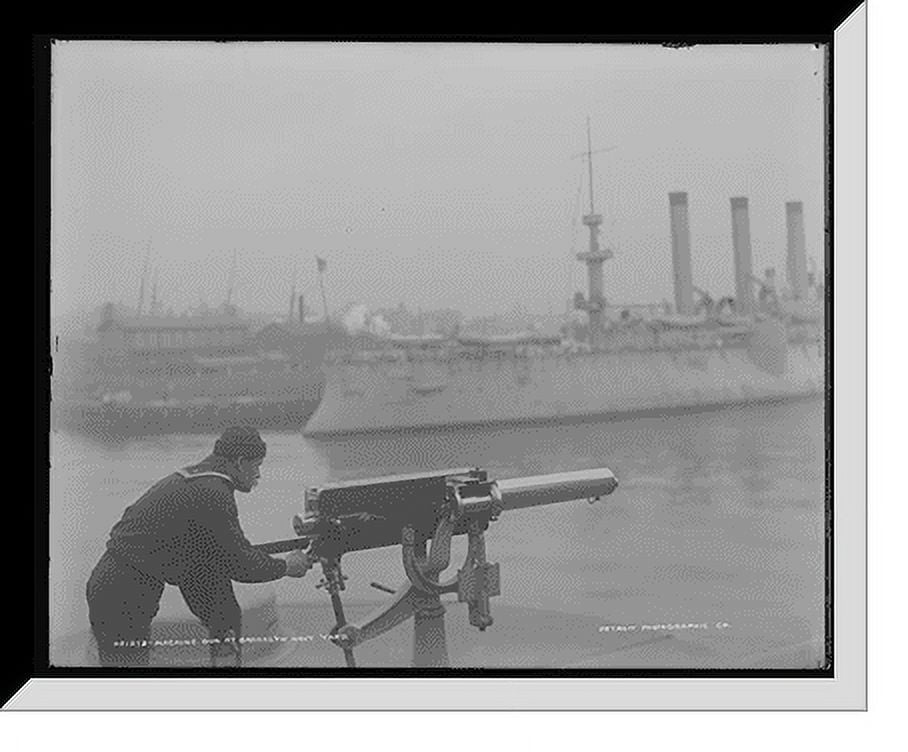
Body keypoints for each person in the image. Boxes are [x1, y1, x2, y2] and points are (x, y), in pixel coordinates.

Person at [85, 426, 312, 667]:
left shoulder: (191, 480)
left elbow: (201, 568)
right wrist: (286, 565)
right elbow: (239, 564)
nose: (258, 474)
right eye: (257, 466)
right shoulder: (212, 493)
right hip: (123, 593)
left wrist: (222, 623)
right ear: (239, 461)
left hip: (116, 585)